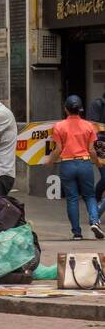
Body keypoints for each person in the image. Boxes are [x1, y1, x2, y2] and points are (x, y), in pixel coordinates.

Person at [50, 95, 103, 240]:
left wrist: (49, 161)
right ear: (80, 110)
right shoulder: (89, 126)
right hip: (84, 163)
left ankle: (77, 233)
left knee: (72, 198)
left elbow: (58, 150)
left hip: (67, 164)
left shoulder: (59, 126)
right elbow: (92, 150)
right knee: (90, 196)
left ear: (65, 109)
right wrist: (97, 163)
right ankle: (94, 221)